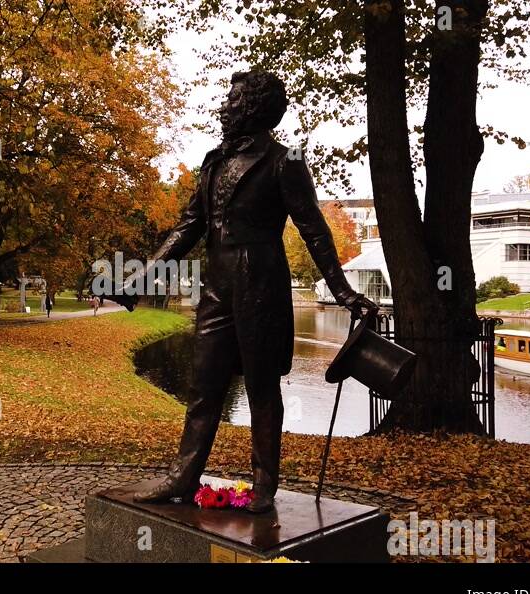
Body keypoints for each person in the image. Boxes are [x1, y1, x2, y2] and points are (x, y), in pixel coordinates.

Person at [110, 70, 377, 513]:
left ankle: (264, 484)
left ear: (253, 107)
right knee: (204, 384)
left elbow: (313, 228)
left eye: (232, 99)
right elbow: (188, 226)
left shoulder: (283, 159)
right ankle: (183, 475)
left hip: (262, 283)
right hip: (217, 285)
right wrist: (141, 278)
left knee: (261, 386)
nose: (224, 106)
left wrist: (343, 290)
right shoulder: (214, 160)